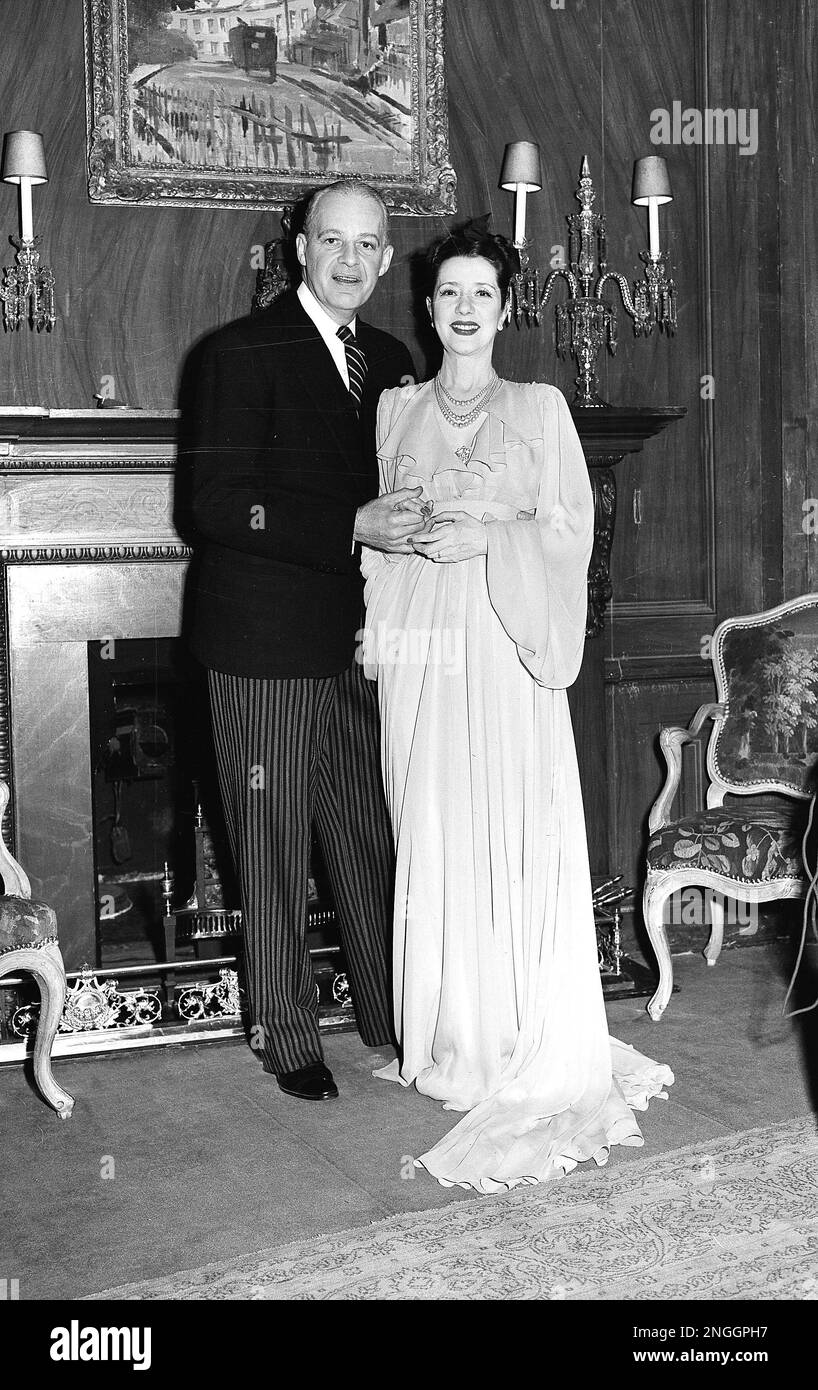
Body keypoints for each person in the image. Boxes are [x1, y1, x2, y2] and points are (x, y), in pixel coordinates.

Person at [361, 222, 673, 1190]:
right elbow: (376, 530)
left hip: (501, 641)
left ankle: (507, 1037)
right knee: (431, 819)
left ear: (505, 307)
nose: (461, 310)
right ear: (426, 306)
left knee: (500, 818)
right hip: (421, 640)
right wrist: (399, 576)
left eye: (480, 295)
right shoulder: (393, 408)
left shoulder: (538, 408)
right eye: (446, 293)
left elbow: (565, 531)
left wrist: (488, 539)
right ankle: (448, 1035)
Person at [184, 179, 424, 1102]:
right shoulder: (238, 354)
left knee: (371, 836)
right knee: (274, 842)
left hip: (365, 644)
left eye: (369, 246)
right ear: (300, 248)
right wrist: (352, 527)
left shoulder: (396, 358)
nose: (351, 262)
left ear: (386, 256)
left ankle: (389, 1013)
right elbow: (211, 505)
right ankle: (285, 1032)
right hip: (261, 645)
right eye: (334, 242)